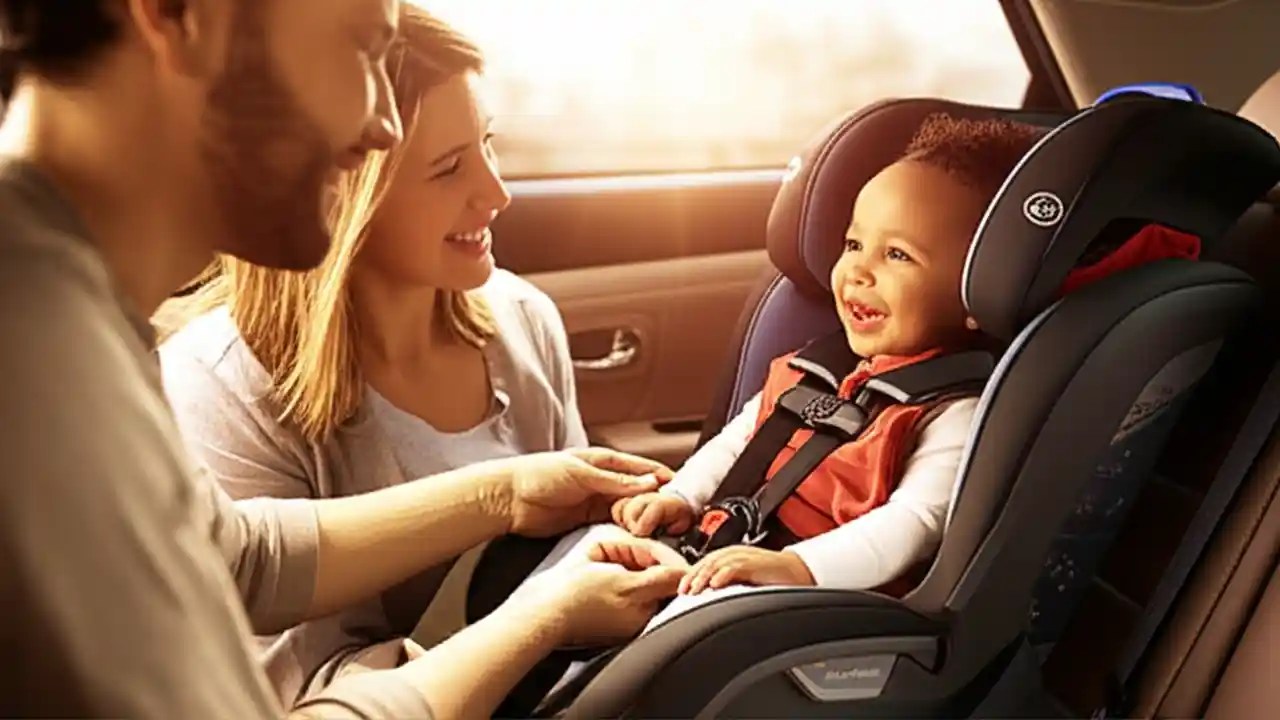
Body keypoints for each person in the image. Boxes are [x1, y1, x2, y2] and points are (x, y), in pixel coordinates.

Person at [0, 1, 681, 719]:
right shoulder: (36, 365)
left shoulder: (75, 310)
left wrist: (505, 494)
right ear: (178, 15)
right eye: (360, 47)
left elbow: (239, 557)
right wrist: (542, 617)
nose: (382, 124)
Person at [155, 7, 587, 704]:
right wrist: (546, 621)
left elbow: (575, 553)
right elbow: (295, 687)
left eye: (488, 143)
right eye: (448, 169)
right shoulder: (220, 384)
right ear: (352, 192)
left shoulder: (523, 320)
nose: (497, 192)